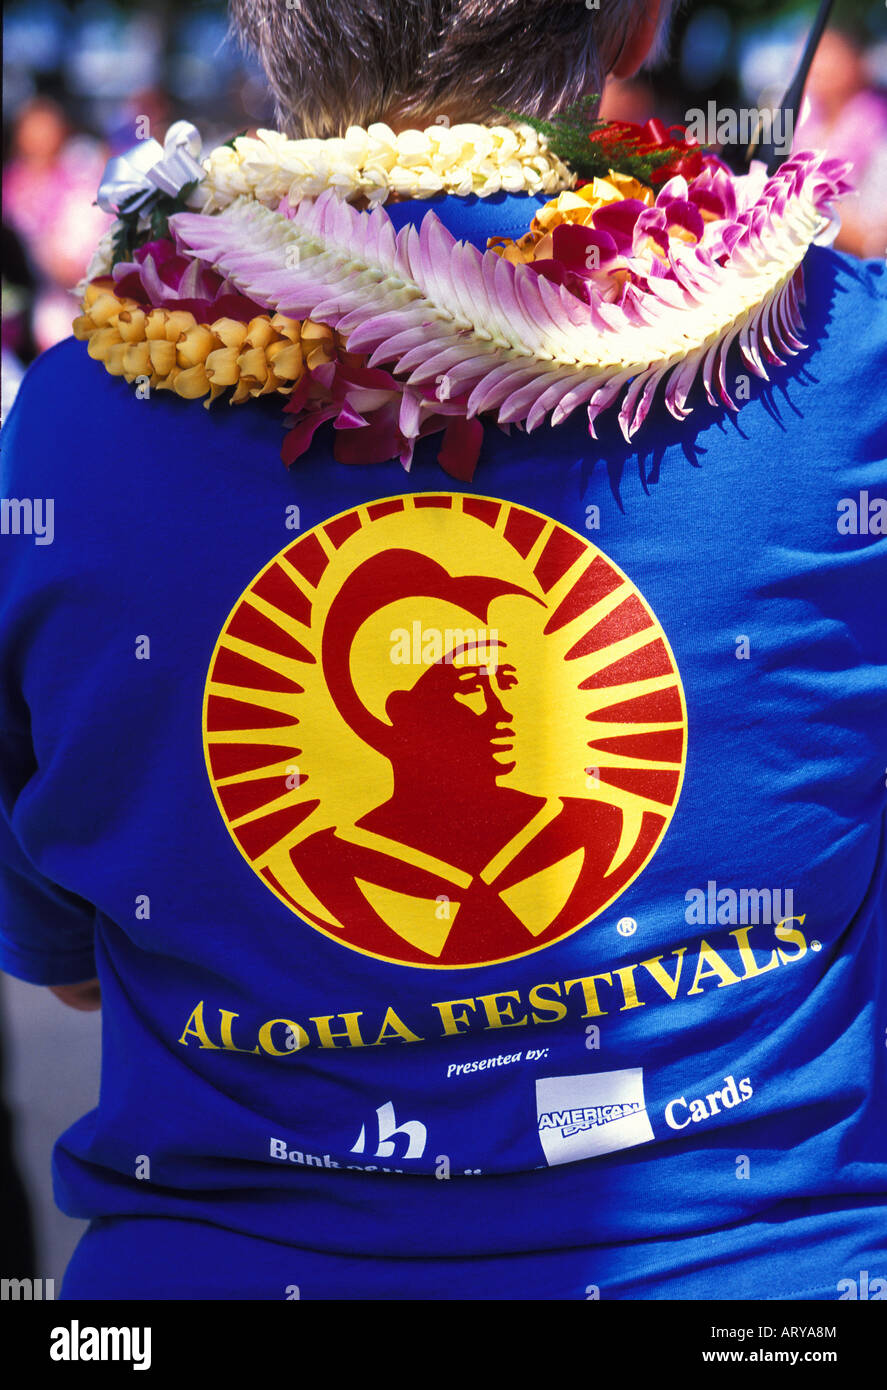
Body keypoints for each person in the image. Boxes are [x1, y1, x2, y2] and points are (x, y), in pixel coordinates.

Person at [1, 0, 885, 1301]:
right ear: (633, 25)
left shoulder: (72, 426)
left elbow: (76, 963)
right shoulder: (845, 362)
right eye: (461, 686)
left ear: (263, 35)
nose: (500, 708)